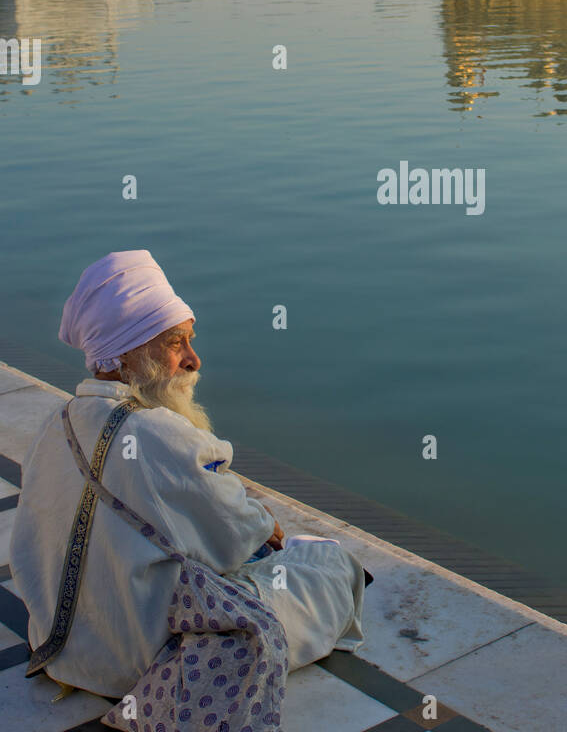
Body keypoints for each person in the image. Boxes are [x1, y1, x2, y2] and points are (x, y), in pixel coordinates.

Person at [11, 251, 368, 699]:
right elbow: (234, 540)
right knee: (329, 569)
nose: (193, 360)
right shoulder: (158, 432)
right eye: (175, 343)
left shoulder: (57, 422)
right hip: (135, 662)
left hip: (58, 644)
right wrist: (262, 524)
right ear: (125, 354)